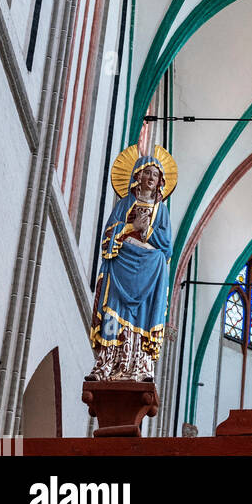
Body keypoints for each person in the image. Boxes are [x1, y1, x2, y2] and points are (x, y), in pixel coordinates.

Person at [86, 148, 175, 382]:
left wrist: (147, 230)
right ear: (137, 176)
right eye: (147, 173)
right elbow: (108, 235)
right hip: (121, 265)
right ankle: (108, 361)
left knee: (141, 314)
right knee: (114, 310)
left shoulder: (161, 211)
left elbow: (167, 247)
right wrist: (131, 227)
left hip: (148, 268)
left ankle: (139, 364)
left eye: (155, 175)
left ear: (160, 182)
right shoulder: (125, 204)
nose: (151, 178)